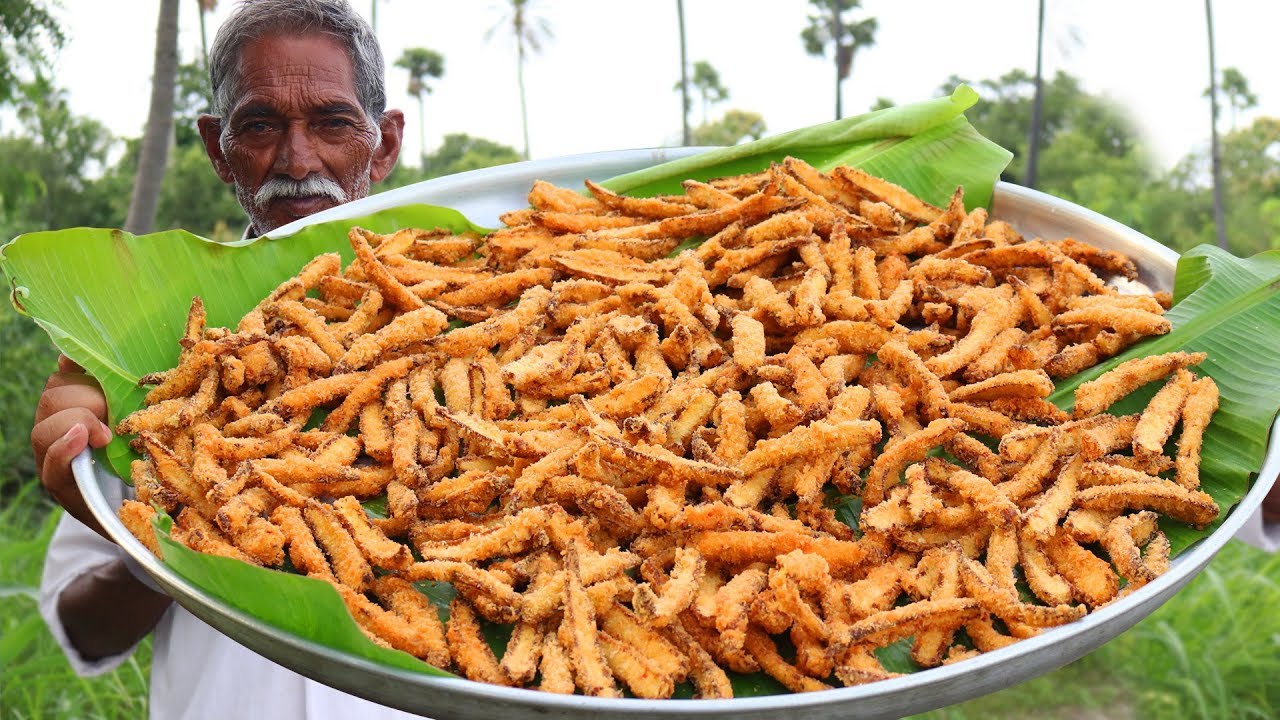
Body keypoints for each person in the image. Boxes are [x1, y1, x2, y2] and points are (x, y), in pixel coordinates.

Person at [33, 1, 427, 718]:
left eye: (333, 122)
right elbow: (84, 630)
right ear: (217, 148)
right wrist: (164, 535)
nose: (297, 159)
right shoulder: (151, 353)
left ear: (386, 141)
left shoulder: (489, 322)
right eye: (260, 125)